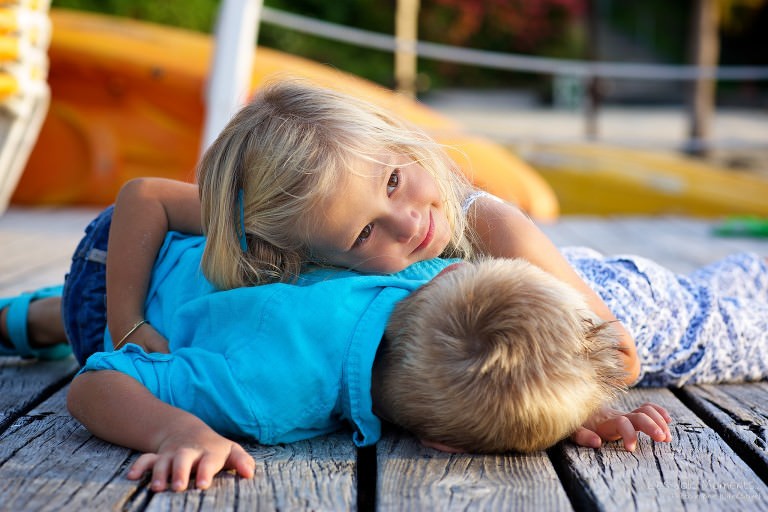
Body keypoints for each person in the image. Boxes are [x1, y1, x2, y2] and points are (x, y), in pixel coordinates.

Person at [1, 205, 669, 493]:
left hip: (191, 264)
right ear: (446, 446)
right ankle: (39, 319)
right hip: (119, 269)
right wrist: (177, 429)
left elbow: (489, 218)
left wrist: (564, 402)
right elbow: (99, 379)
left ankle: (25, 320)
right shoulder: (266, 393)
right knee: (81, 328)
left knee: (191, 317)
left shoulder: (419, 279)